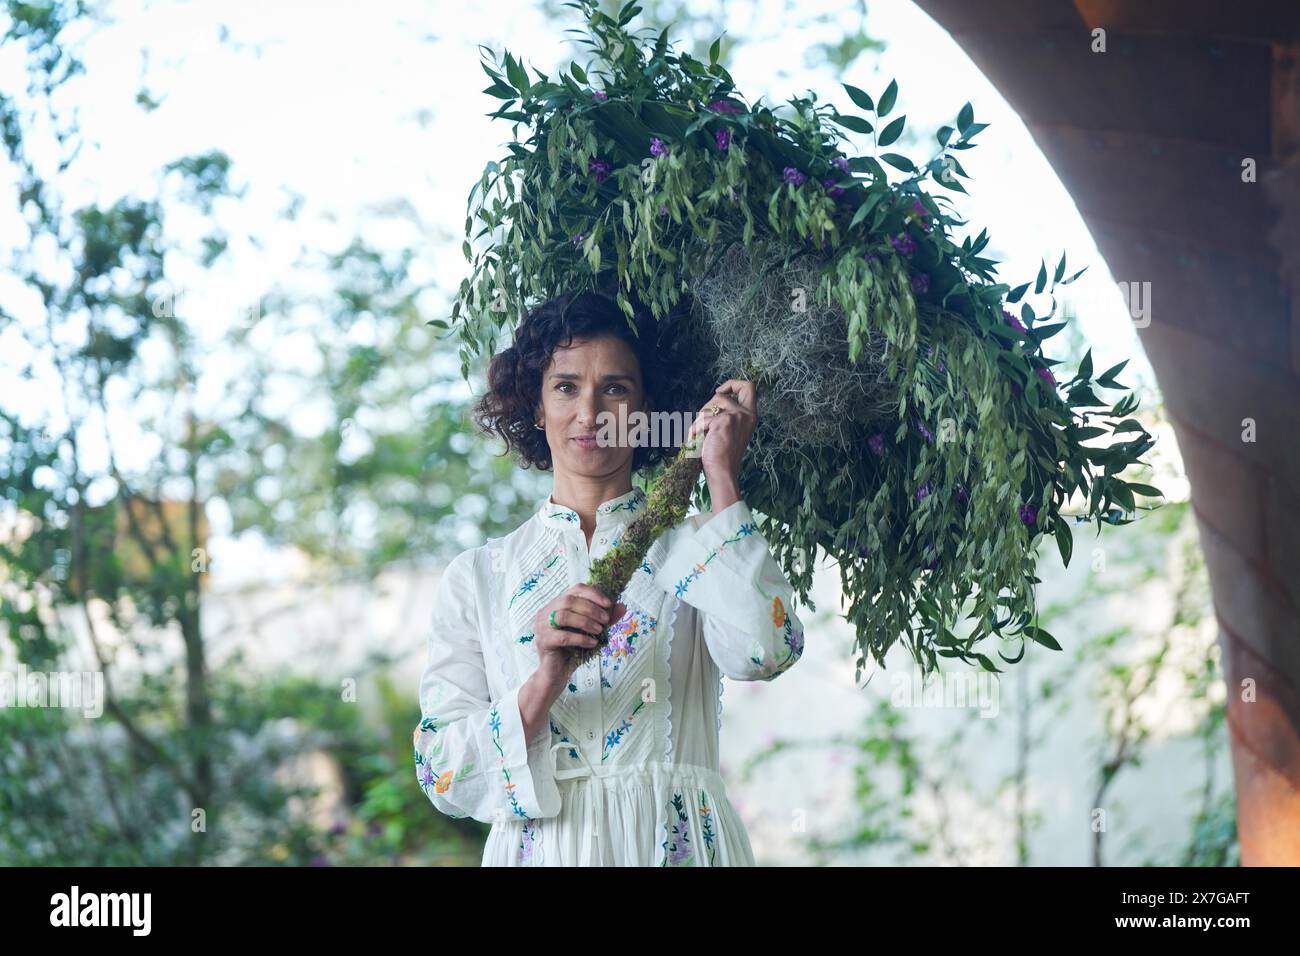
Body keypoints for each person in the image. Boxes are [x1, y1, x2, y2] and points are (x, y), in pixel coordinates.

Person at [413, 289, 805, 865]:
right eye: (566, 386)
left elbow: (769, 651)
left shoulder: (696, 543)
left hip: (678, 847)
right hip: (544, 850)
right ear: (537, 406)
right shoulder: (479, 577)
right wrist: (544, 679)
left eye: (615, 389)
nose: (589, 412)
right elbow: (442, 772)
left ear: (645, 409)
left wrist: (721, 473)